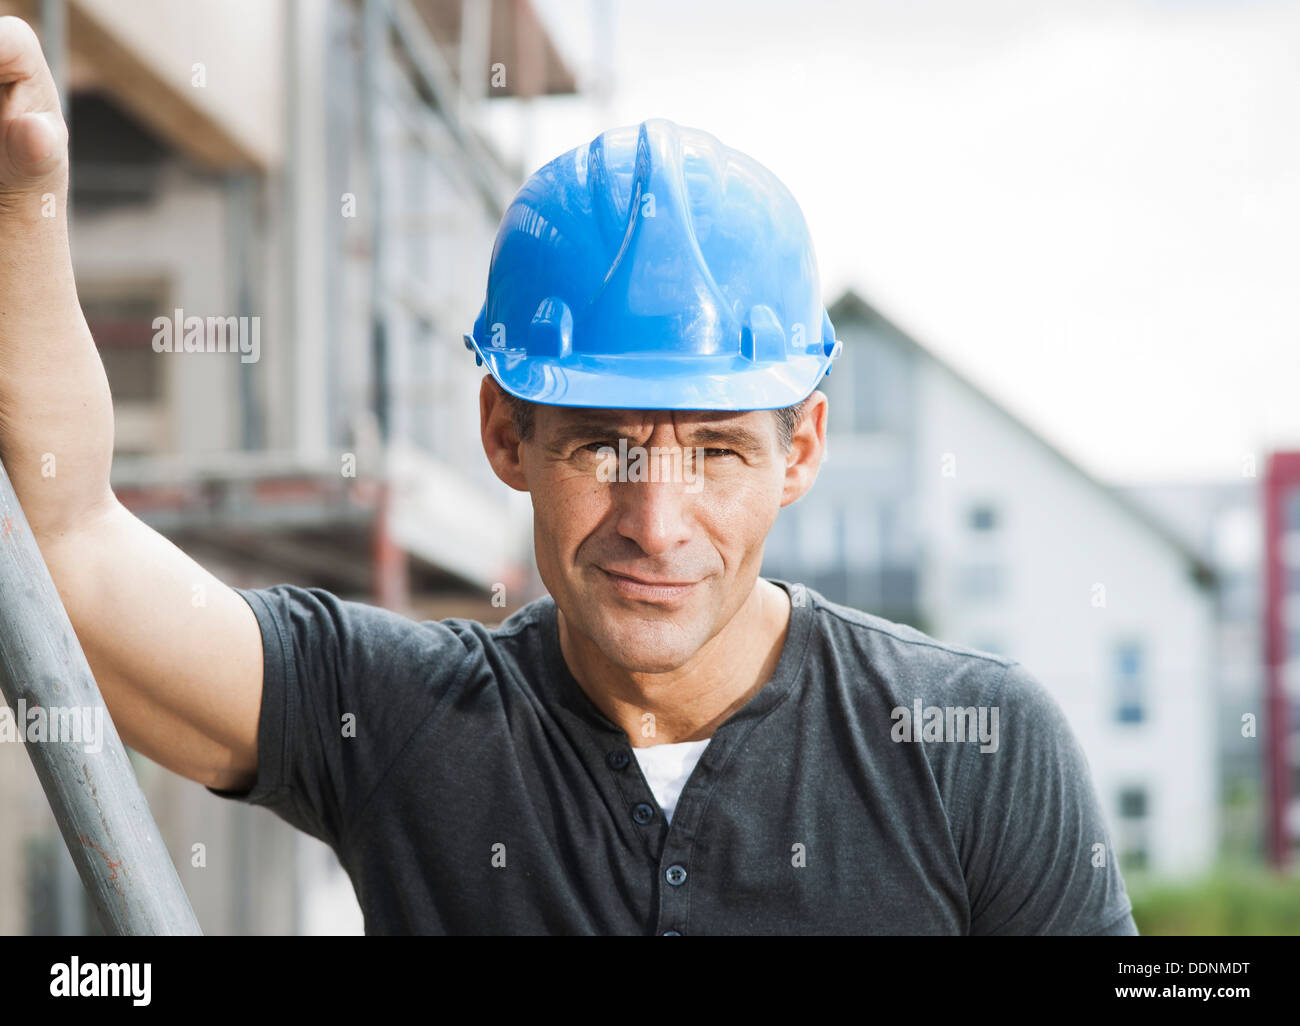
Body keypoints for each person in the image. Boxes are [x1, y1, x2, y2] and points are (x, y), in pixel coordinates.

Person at [0, 16, 1136, 935]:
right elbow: (63, 560)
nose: (657, 520)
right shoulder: (403, 723)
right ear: (505, 434)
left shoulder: (974, 747)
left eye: (716, 450)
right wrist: (26, 198)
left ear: (801, 451)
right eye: (603, 445)